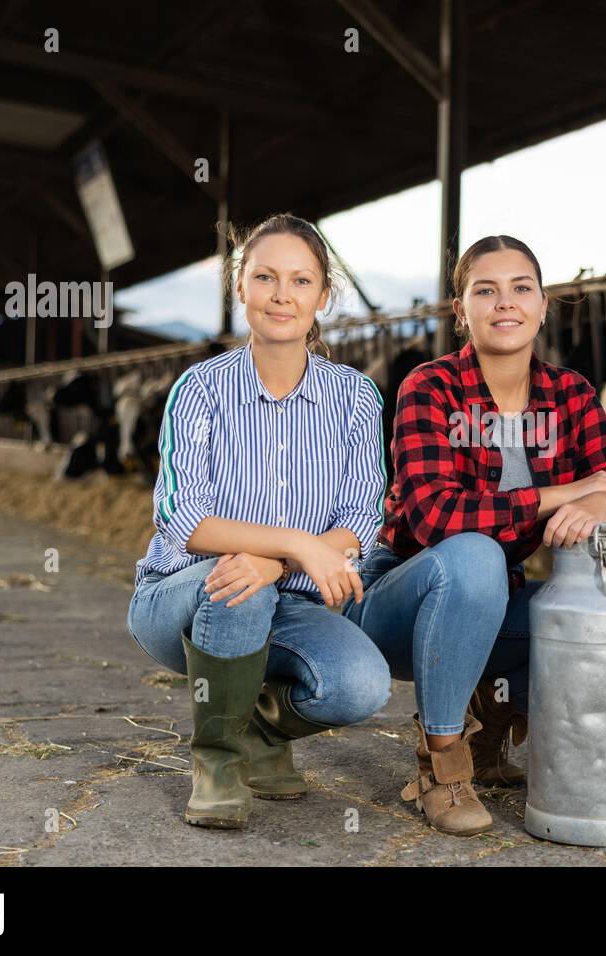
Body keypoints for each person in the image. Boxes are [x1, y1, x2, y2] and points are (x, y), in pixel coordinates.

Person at [344, 235, 606, 836]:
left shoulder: (571, 396)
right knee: (477, 553)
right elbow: (436, 518)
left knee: (592, 612)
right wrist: (567, 493)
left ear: (543, 305)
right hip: (396, 603)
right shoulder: (428, 388)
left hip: (488, 605)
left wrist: (602, 495)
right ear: (461, 310)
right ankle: (442, 765)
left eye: (521, 289)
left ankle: (489, 734)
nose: (504, 303)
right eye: (485, 290)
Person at [128, 212, 390, 829]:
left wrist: (277, 562)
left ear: (323, 297)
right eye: (265, 276)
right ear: (239, 287)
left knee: (361, 686)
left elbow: (363, 514)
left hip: (285, 602)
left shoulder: (355, 397)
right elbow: (183, 518)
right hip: (181, 597)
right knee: (238, 578)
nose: (282, 294)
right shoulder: (199, 389)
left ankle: (260, 727)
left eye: (301, 281)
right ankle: (217, 762)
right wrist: (296, 546)